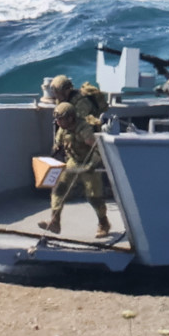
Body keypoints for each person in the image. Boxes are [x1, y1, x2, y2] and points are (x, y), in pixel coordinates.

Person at [42, 99, 112, 238]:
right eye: (57, 119)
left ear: (70, 118)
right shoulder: (62, 130)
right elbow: (58, 146)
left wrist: (92, 164)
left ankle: (103, 223)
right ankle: (55, 221)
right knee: (59, 189)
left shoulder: (84, 130)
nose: (58, 122)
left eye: (61, 119)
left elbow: (98, 149)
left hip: (88, 164)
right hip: (73, 162)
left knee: (94, 197)